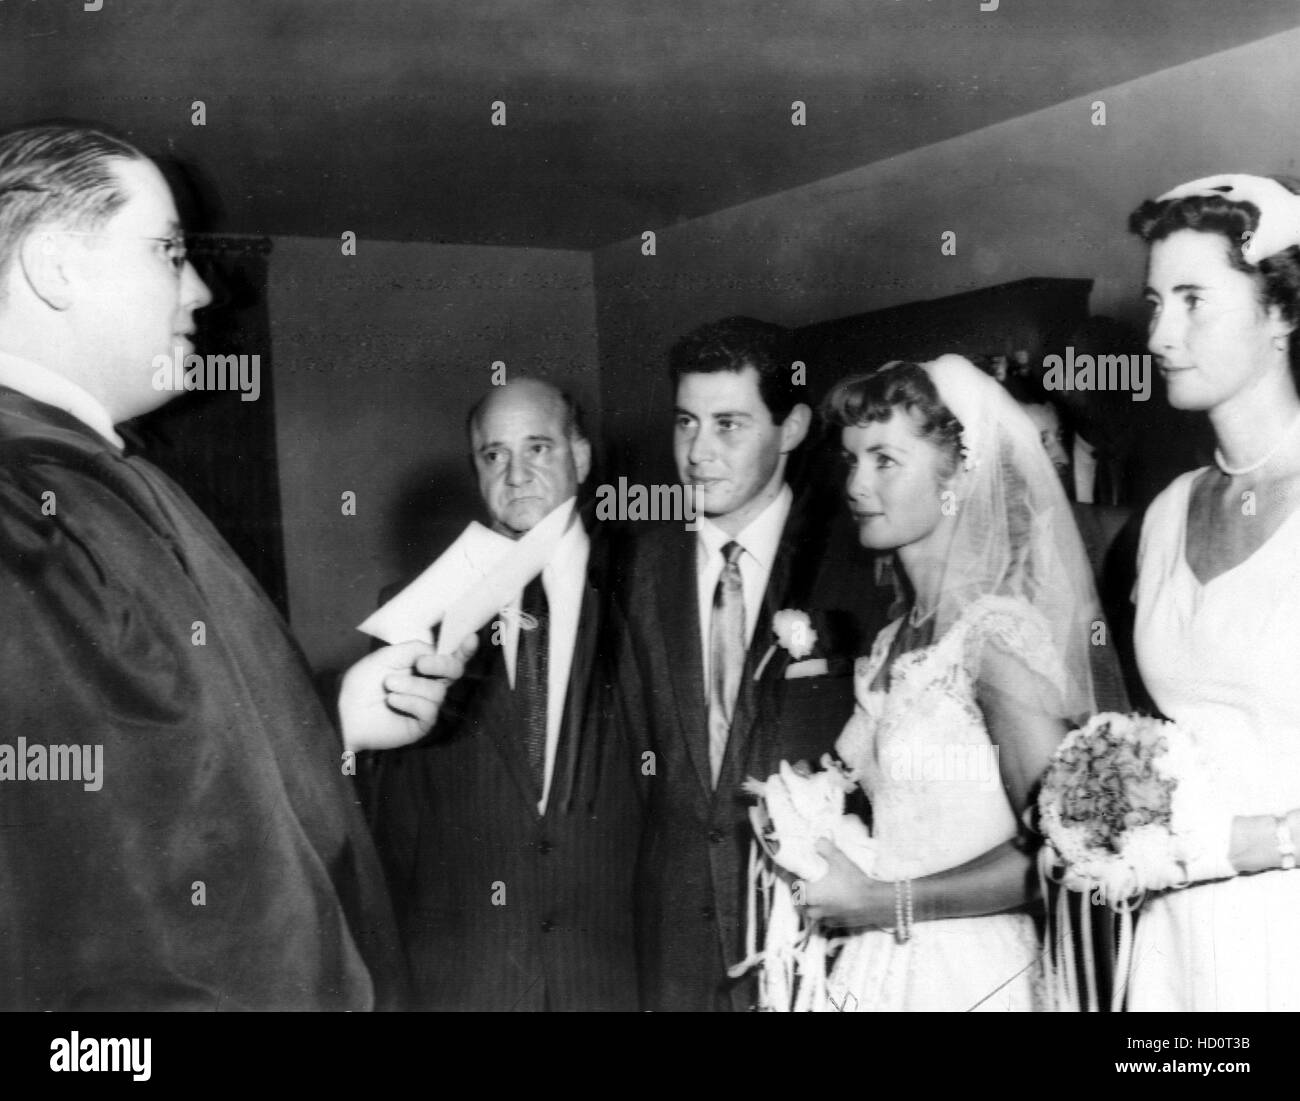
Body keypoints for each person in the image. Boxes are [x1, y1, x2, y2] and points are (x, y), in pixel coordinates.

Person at [0, 123, 467, 1010]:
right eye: (170, 252)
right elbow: (92, 901)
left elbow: (158, 776)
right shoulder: (30, 500)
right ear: (55, 267)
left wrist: (335, 723)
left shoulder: (91, 476)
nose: (203, 290)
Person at [800, 355, 1117, 1011]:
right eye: (852, 459)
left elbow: (1065, 854)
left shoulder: (992, 641)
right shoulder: (898, 637)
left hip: (973, 975)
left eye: (885, 460)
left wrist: (886, 901)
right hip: (882, 967)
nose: (856, 485)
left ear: (957, 476)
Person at [617, 316, 888, 1011]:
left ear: (792, 429)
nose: (697, 452)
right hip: (669, 949)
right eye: (685, 422)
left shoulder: (861, 565)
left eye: (728, 425)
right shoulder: (638, 568)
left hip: (810, 932)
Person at [362, 378, 643, 1010]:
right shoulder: (417, 614)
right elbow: (392, 829)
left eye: (538, 448)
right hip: (470, 982)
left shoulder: (644, 596)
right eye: (495, 456)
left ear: (582, 457)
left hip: (611, 980)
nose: (517, 474)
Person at [1125, 174, 1300, 1011]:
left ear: (1282, 312)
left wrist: (1253, 842)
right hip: (1182, 934)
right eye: (1155, 302)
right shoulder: (1164, 515)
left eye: (1193, 299)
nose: (1161, 334)